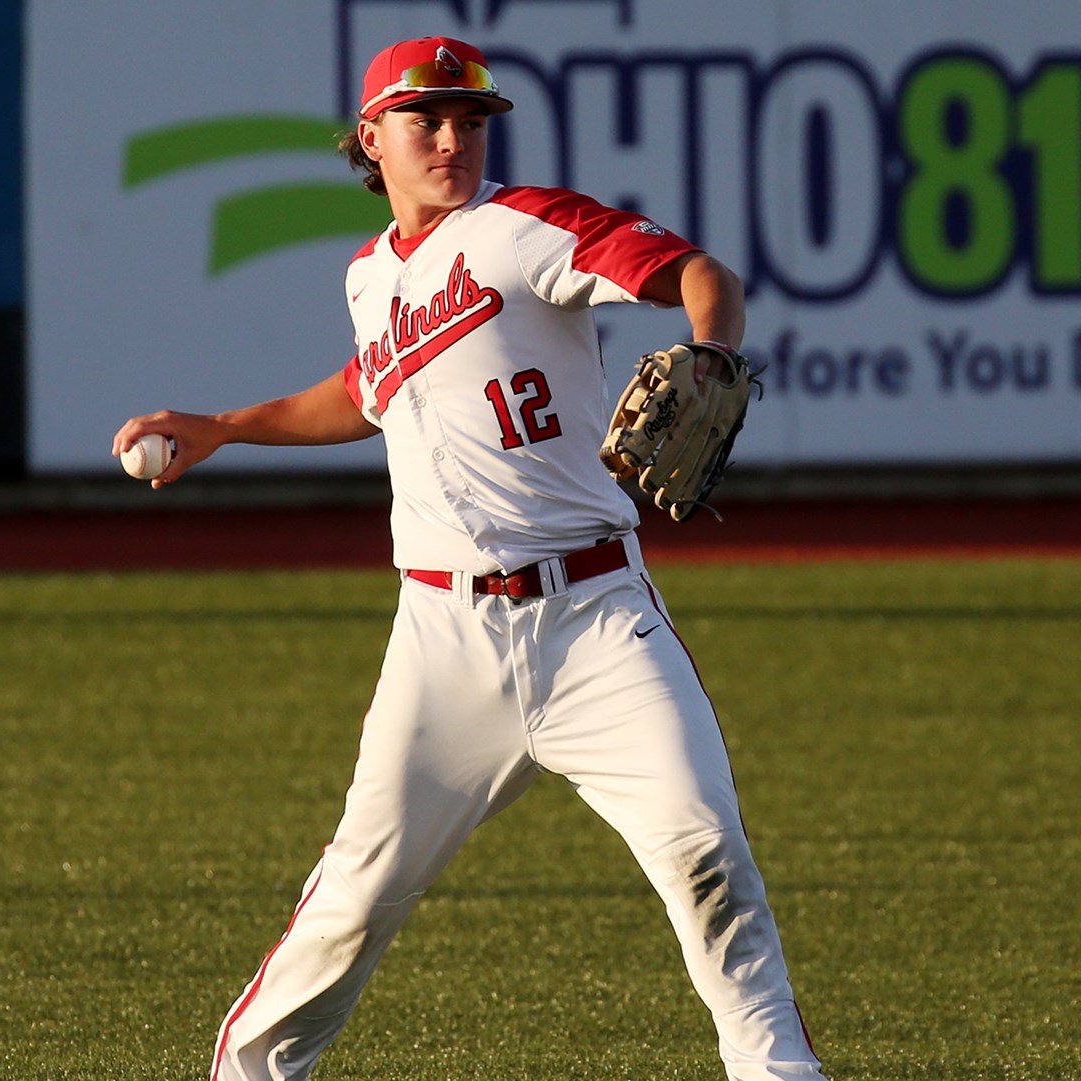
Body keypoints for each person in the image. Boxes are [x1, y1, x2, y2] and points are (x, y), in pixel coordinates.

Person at [113, 35, 828, 1081]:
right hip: (443, 640)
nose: (454, 139)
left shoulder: (523, 227)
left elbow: (695, 275)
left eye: (471, 120)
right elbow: (367, 392)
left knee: (708, 860)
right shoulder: (372, 275)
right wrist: (222, 426)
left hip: (598, 624)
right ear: (373, 140)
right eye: (426, 121)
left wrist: (714, 348)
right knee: (353, 899)